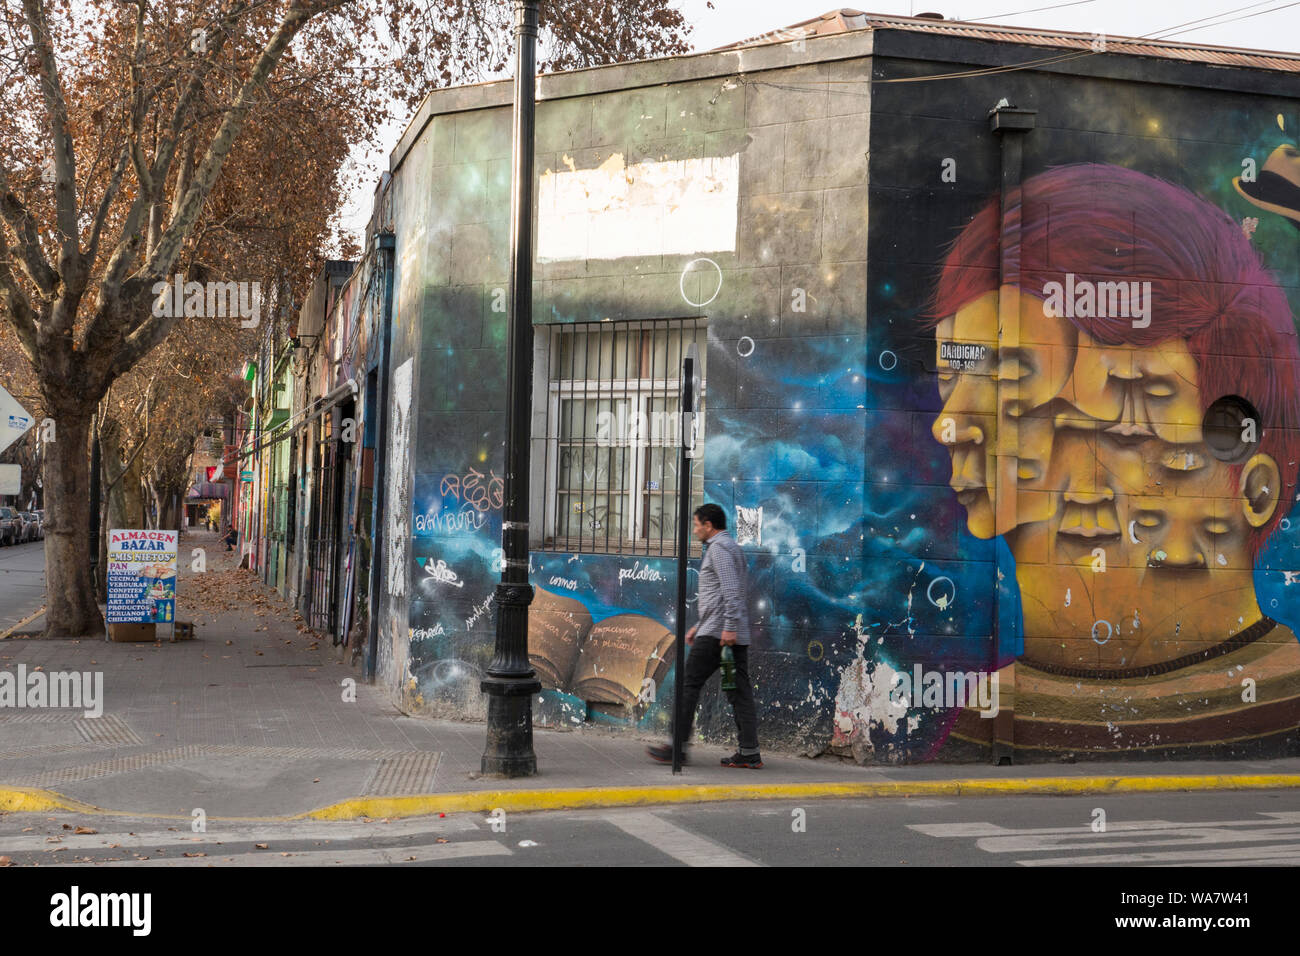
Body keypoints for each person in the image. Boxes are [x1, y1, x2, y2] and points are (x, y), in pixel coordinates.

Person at [647, 503, 762, 769]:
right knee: (738, 691)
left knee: (688, 685)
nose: (695, 529)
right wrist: (699, 626)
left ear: (709, 525)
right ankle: (749, 751)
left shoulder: (719, 549)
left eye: (697, 524)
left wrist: (727, 628)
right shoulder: (732, 548)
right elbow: (722, 596)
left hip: (719, 636)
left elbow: (732, 592)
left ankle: (676, 748)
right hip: (724, 632)